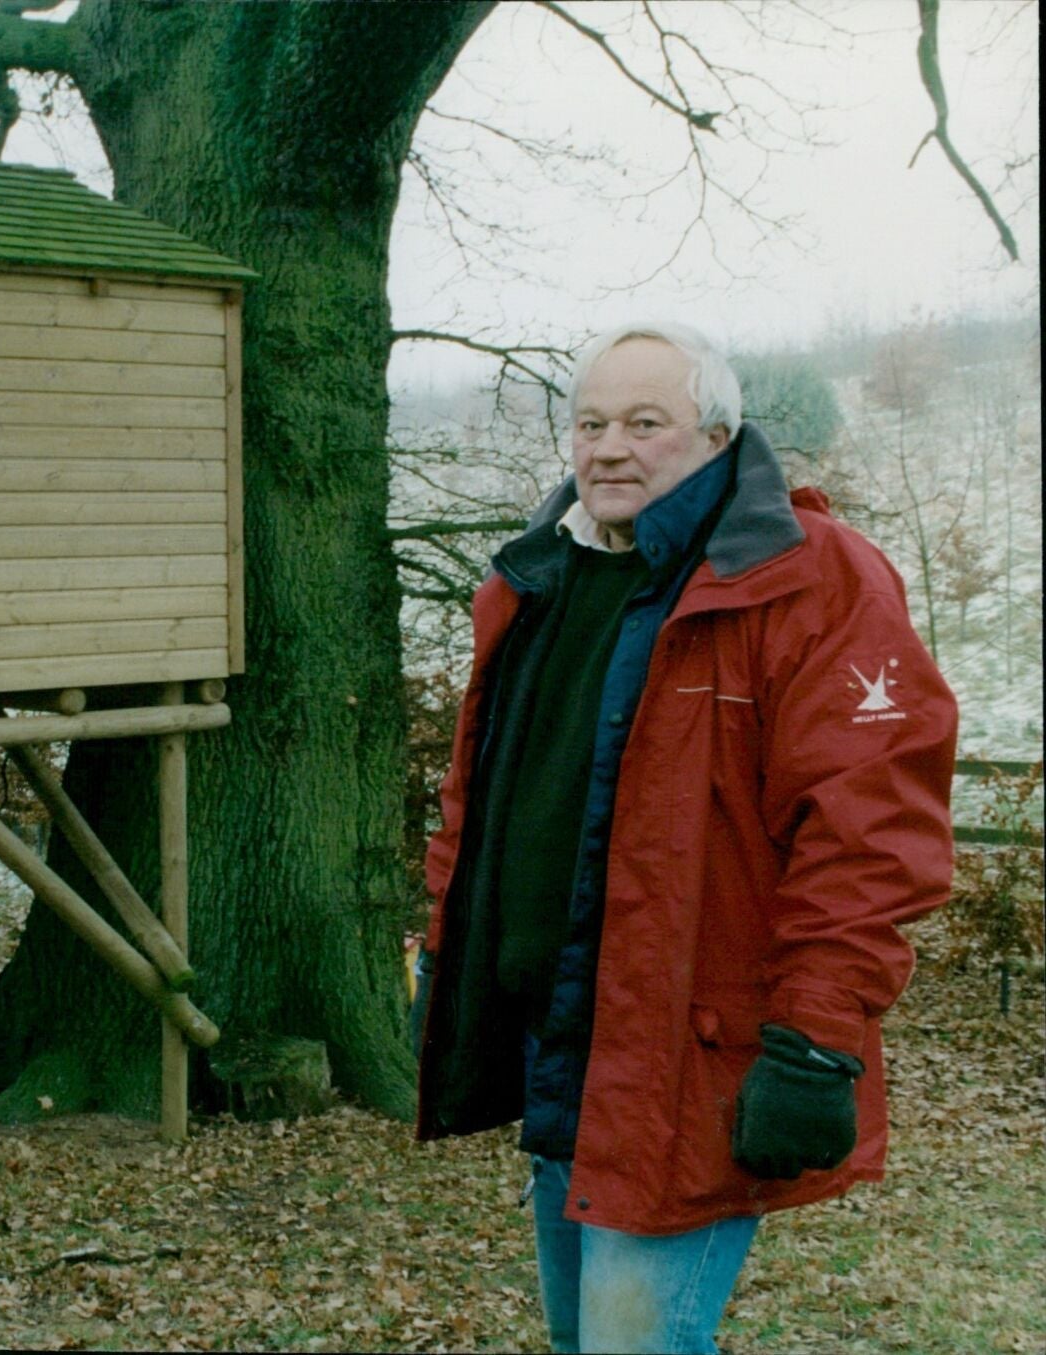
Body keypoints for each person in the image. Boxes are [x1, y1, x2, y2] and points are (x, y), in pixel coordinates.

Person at [409, 322, 956, 1355]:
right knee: (585, 1341)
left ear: (714, 435)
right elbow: (471, 808)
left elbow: (869, 834)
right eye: (590, 423)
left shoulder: (808, 580)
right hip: (562, 1047)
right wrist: (443, 962)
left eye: (643, 423)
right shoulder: (532, 584)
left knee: (633, 1343)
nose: (607, 447)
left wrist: (816, 1035)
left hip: (692, 1059)